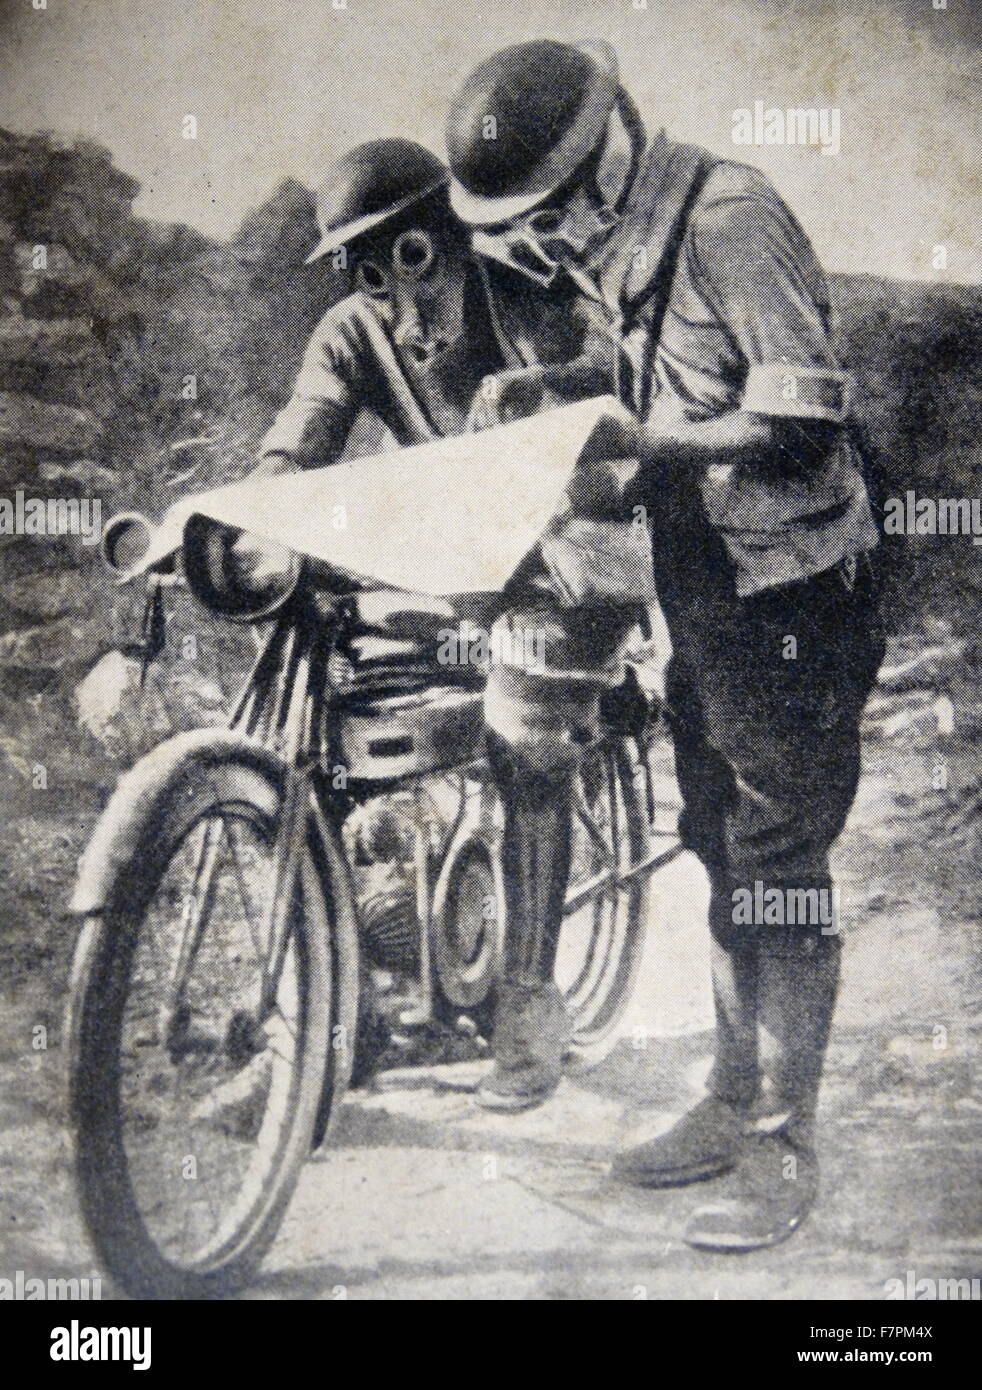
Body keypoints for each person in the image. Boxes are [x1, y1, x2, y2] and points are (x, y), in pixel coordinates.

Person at [445, 38, 885, 1247]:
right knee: (718, 837)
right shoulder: (623, 230)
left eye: (547, 215)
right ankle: (733, 1098)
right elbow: (667, 362)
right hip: (708, 578)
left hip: (794, 590)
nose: (541, 245)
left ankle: (781, 1147)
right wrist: (564, 388)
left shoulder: (731, 215)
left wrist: (638, 447)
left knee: (780, 859)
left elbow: (799, 414)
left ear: (610, 152)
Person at [241, 136, 652, 1111]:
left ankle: (527, 1008)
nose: (396, 291)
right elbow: (300, 437)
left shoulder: (528, 289)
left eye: (413, 257)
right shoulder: (350, 331)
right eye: (368, 269)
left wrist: (538, 391)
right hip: (460, 557)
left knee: (522, 744)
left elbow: (611, 380)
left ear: (453, 235)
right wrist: (265, 508)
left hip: (572, 547)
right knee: (296, 736)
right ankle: (323, 1026)